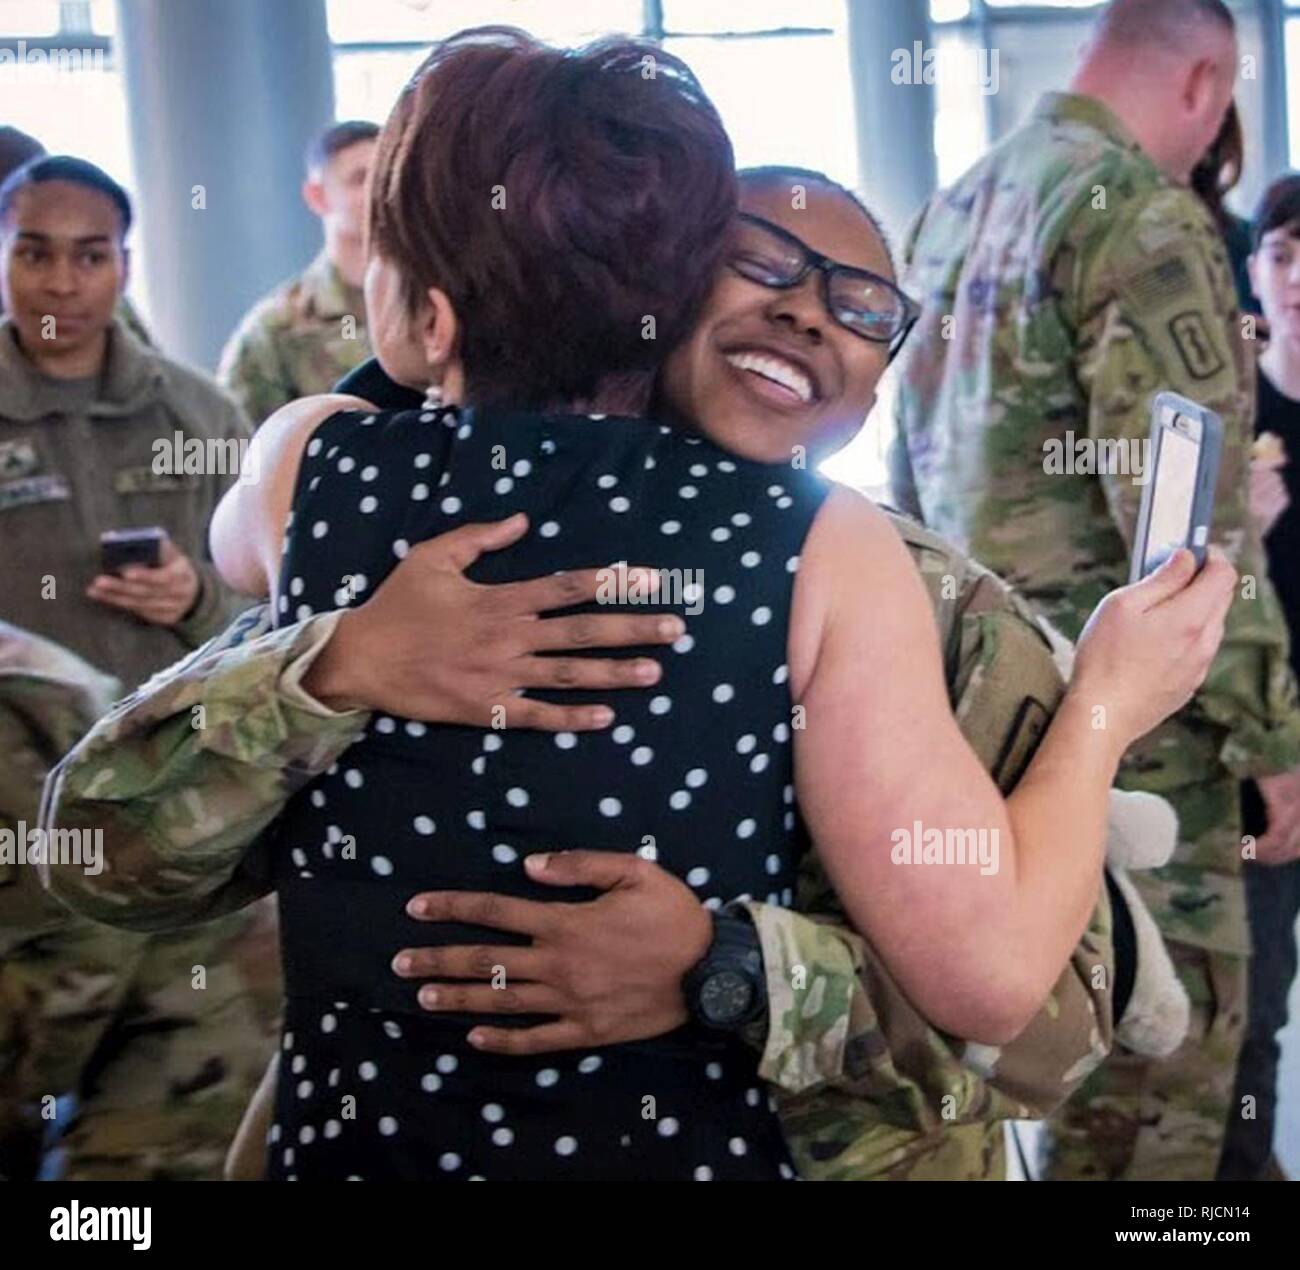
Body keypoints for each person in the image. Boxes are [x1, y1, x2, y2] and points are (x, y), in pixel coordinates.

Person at [48, 26, 1225, 1176]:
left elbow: (1045, 1027)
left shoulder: (938, 606)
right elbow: (107, 846)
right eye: (761, 258)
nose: (807, 309)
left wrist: (728, 969)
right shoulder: (407, 569)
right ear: (660, 283)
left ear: (884, 382)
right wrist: (334, 661)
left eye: (865, 304)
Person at [890, 0, 1300, 1181]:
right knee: (1155, 1108)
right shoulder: (1142, 220)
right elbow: (1187, 537)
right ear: (1203, 84)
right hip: (1145, 749)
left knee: (1055, 1072)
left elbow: (910, 491)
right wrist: (1271, 737)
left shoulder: (955, 207)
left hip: (997, 721)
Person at [0, 155, 277, 1179]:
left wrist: (194, 601)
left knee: (162, 1161)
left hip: (175, 843)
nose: (61, 282)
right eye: (34, 253)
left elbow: (277, 622)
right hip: (17, 862)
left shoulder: (200, 418)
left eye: (89, 256)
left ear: (124, 265)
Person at [1217, 175, 1300, 1181]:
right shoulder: (1226, 425)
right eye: (1281, 255)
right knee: (1245, 1018)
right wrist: (1239, 532)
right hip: (1257, 771)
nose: (1297, 278)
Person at [217, 121, 377, 425]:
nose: (377, 192)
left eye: (386, 176)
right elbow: (243, 452)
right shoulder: (276, 329)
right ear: (318, 196)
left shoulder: (431, 303)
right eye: (359, 179)